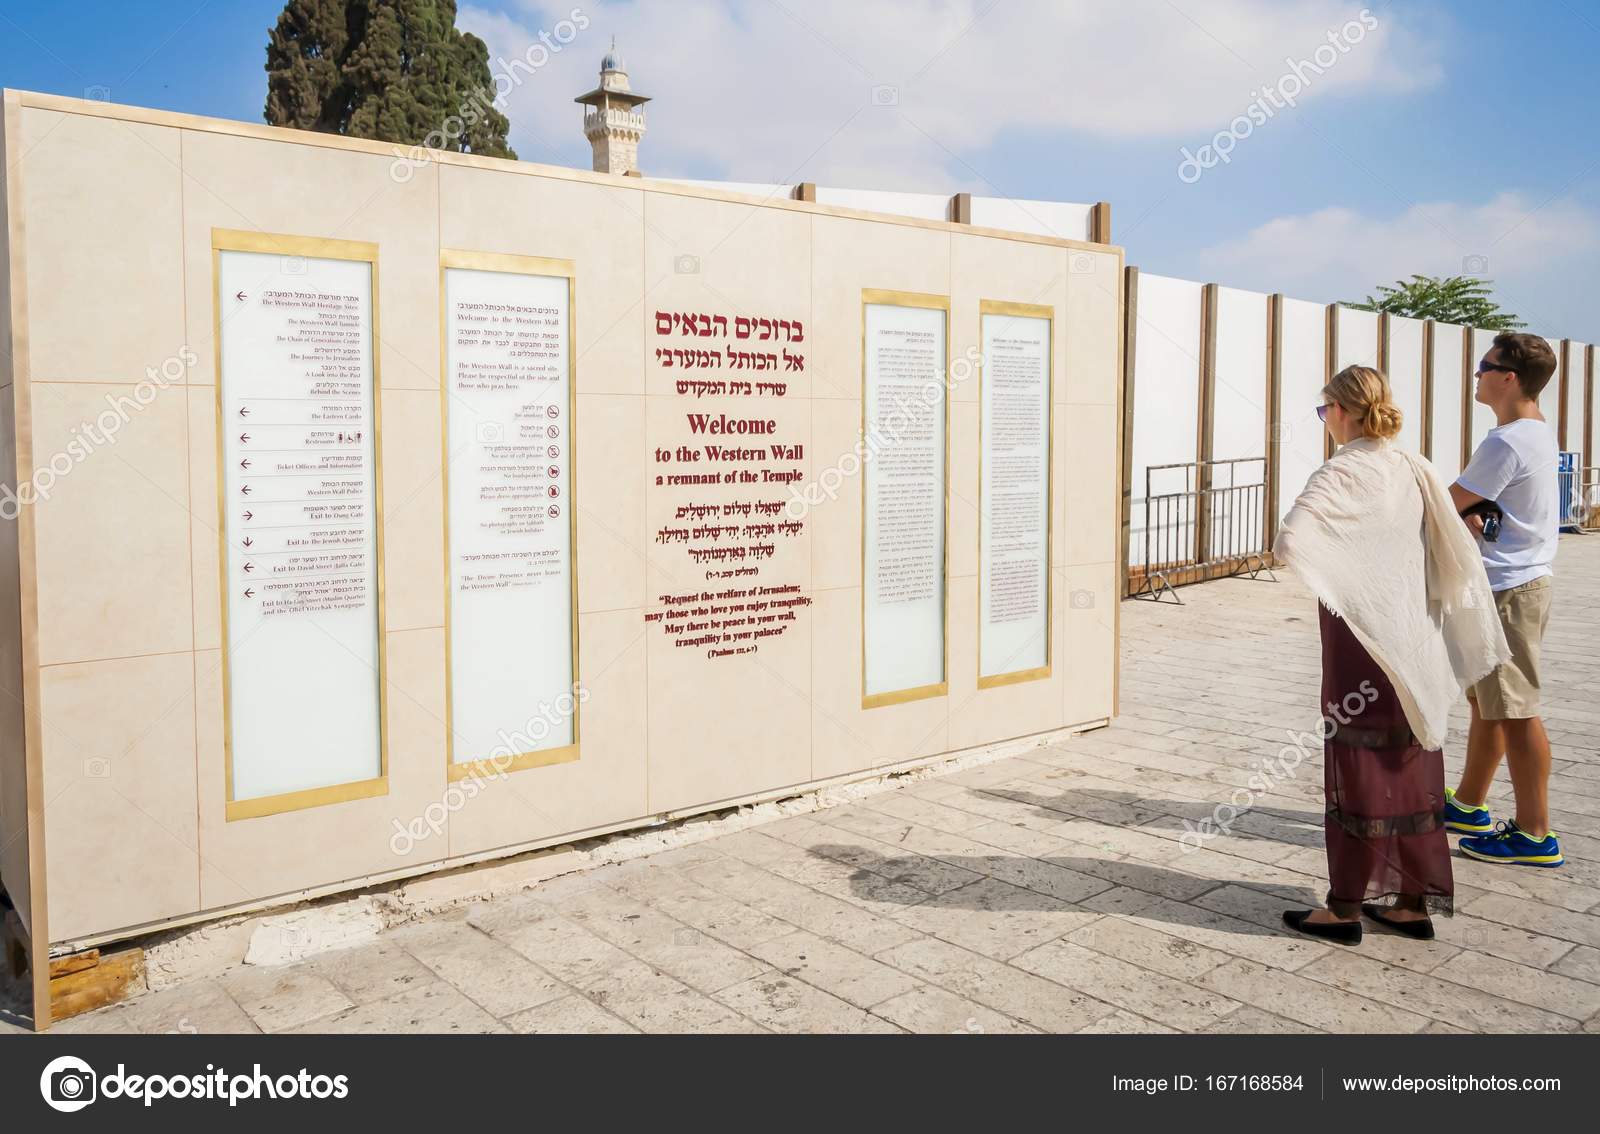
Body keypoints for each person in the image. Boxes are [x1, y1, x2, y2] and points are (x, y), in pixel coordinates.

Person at [1272, 366, 1508, 944]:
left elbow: (1290, 541)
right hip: (1411, 633)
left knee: (1358, 763)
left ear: (1341, 411)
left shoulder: (1340, 471)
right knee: (1409, 756)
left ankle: (1344, 909)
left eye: (1324, 411)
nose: (1324, 421)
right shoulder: (1413, 465)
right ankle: (1410, 902)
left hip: (1360, 638)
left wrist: (1347, 575)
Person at [1442, 333, 1564, 867]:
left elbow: (1447, 503)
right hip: (1513, 582)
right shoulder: (1534, 432)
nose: (1477, 374)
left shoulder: (1507, 442)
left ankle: (1535, 835)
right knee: (1488, 704)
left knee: (1516, 711)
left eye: (1484, 366)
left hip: (1508, 589)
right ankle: (1469, 804)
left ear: (1509, 377)